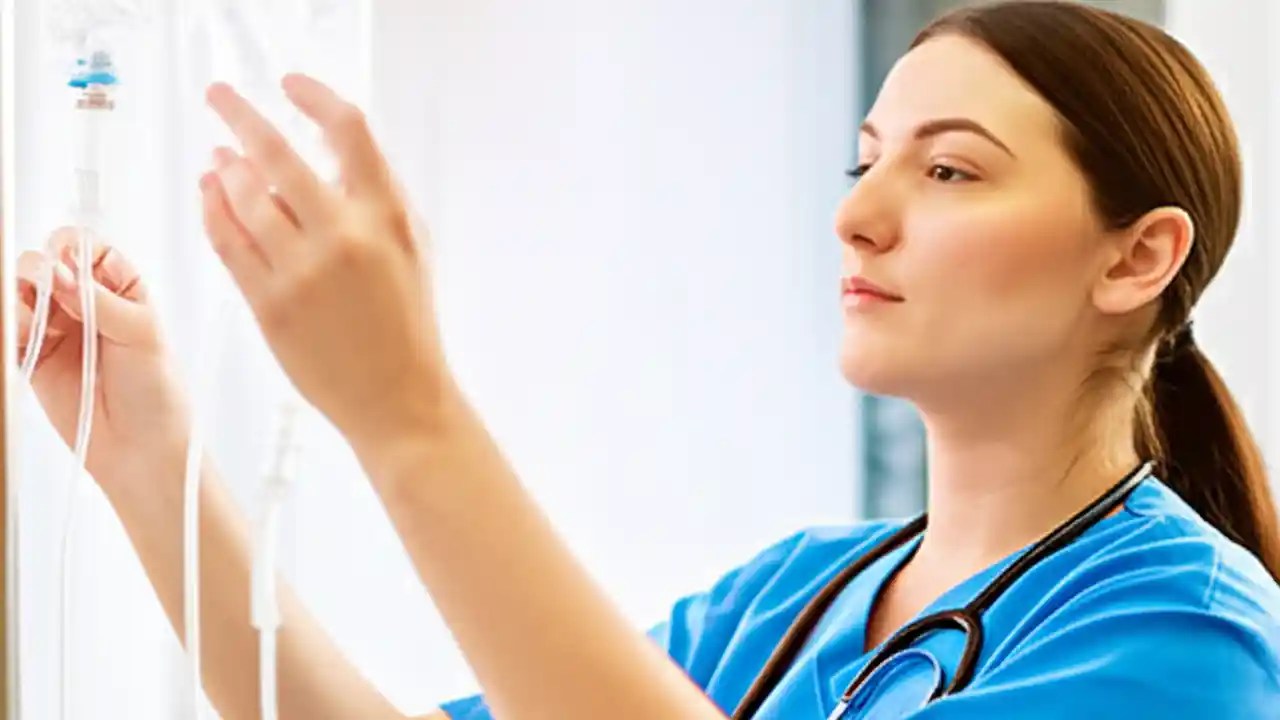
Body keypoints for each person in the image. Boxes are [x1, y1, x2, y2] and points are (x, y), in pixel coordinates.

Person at [14, 1, 1280, 718]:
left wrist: (407, 412)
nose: (854, 212)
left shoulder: (1185, 641)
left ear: (1135, 258)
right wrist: (149, 458)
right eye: (863, 157)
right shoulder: (800, 597)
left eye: (945, 169)